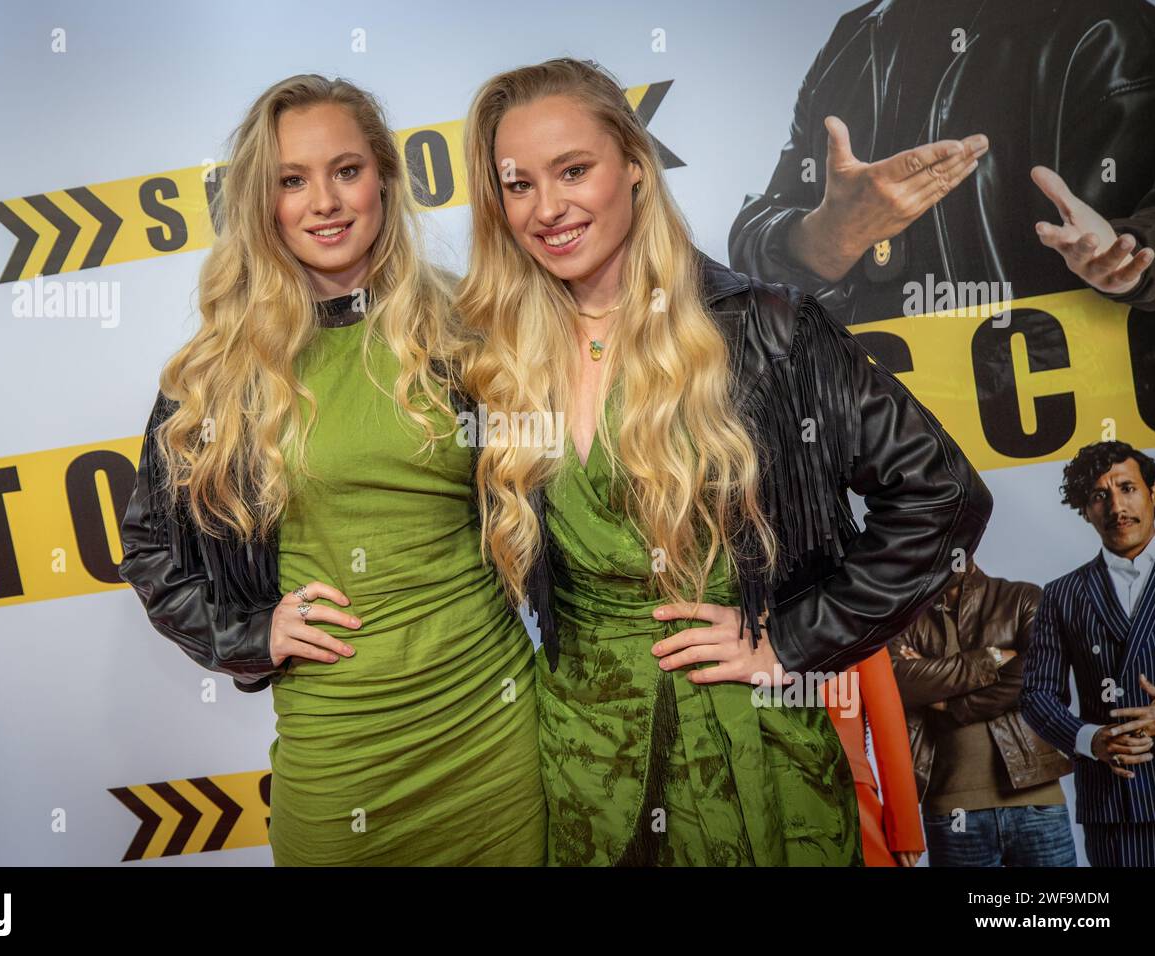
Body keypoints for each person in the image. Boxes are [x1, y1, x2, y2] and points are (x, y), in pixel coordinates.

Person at [455, 57, 992, 866]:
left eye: (574, 170)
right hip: (583, 761)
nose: (548, 208)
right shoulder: (491, 358)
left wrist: (791, 643)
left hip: (755, 749)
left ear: (634, 169)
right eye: (518, 184)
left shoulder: (766, 327)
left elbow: (943, 495)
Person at [117, 74, 545, 866]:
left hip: (496, 737)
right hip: (339, 751)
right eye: (292, 180)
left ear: (383, 177)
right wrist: (254, 633)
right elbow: (149, 550)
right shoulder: (223, 373)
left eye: (346, 170)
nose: (326, 201)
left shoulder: (465, 333)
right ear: (263, 203)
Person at [729, 0, 1155, 325]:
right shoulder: (853, 39)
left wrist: (1130, 261)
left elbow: (1139, 239)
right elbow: (752, 259)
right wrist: (830, 236)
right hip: (880, 420)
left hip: (1051, 418)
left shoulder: (1110, 29)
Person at [1021, 441, 1155, 866]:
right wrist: (1091, 739)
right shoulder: (1063, 594)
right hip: (1114, 802)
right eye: (1100, 496)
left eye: (1128, 488)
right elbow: (1037, 696)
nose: (1117, 506)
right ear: (1085, 510)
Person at [889, 560, 1075, 866]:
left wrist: (949, 702)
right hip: (952, 811)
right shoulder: (904, 620)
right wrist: (993, 658)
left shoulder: (1023, 598)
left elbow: (1038, 678)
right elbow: (899, 683)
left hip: (1037, 804)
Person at [820, 648, 925, 867]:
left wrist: (906, 830)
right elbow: (889, 722)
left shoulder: (858, 619)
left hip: (848, 790)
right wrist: (906, 830)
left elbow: (888, 723)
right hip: (775, 790)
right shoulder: (858, 618)